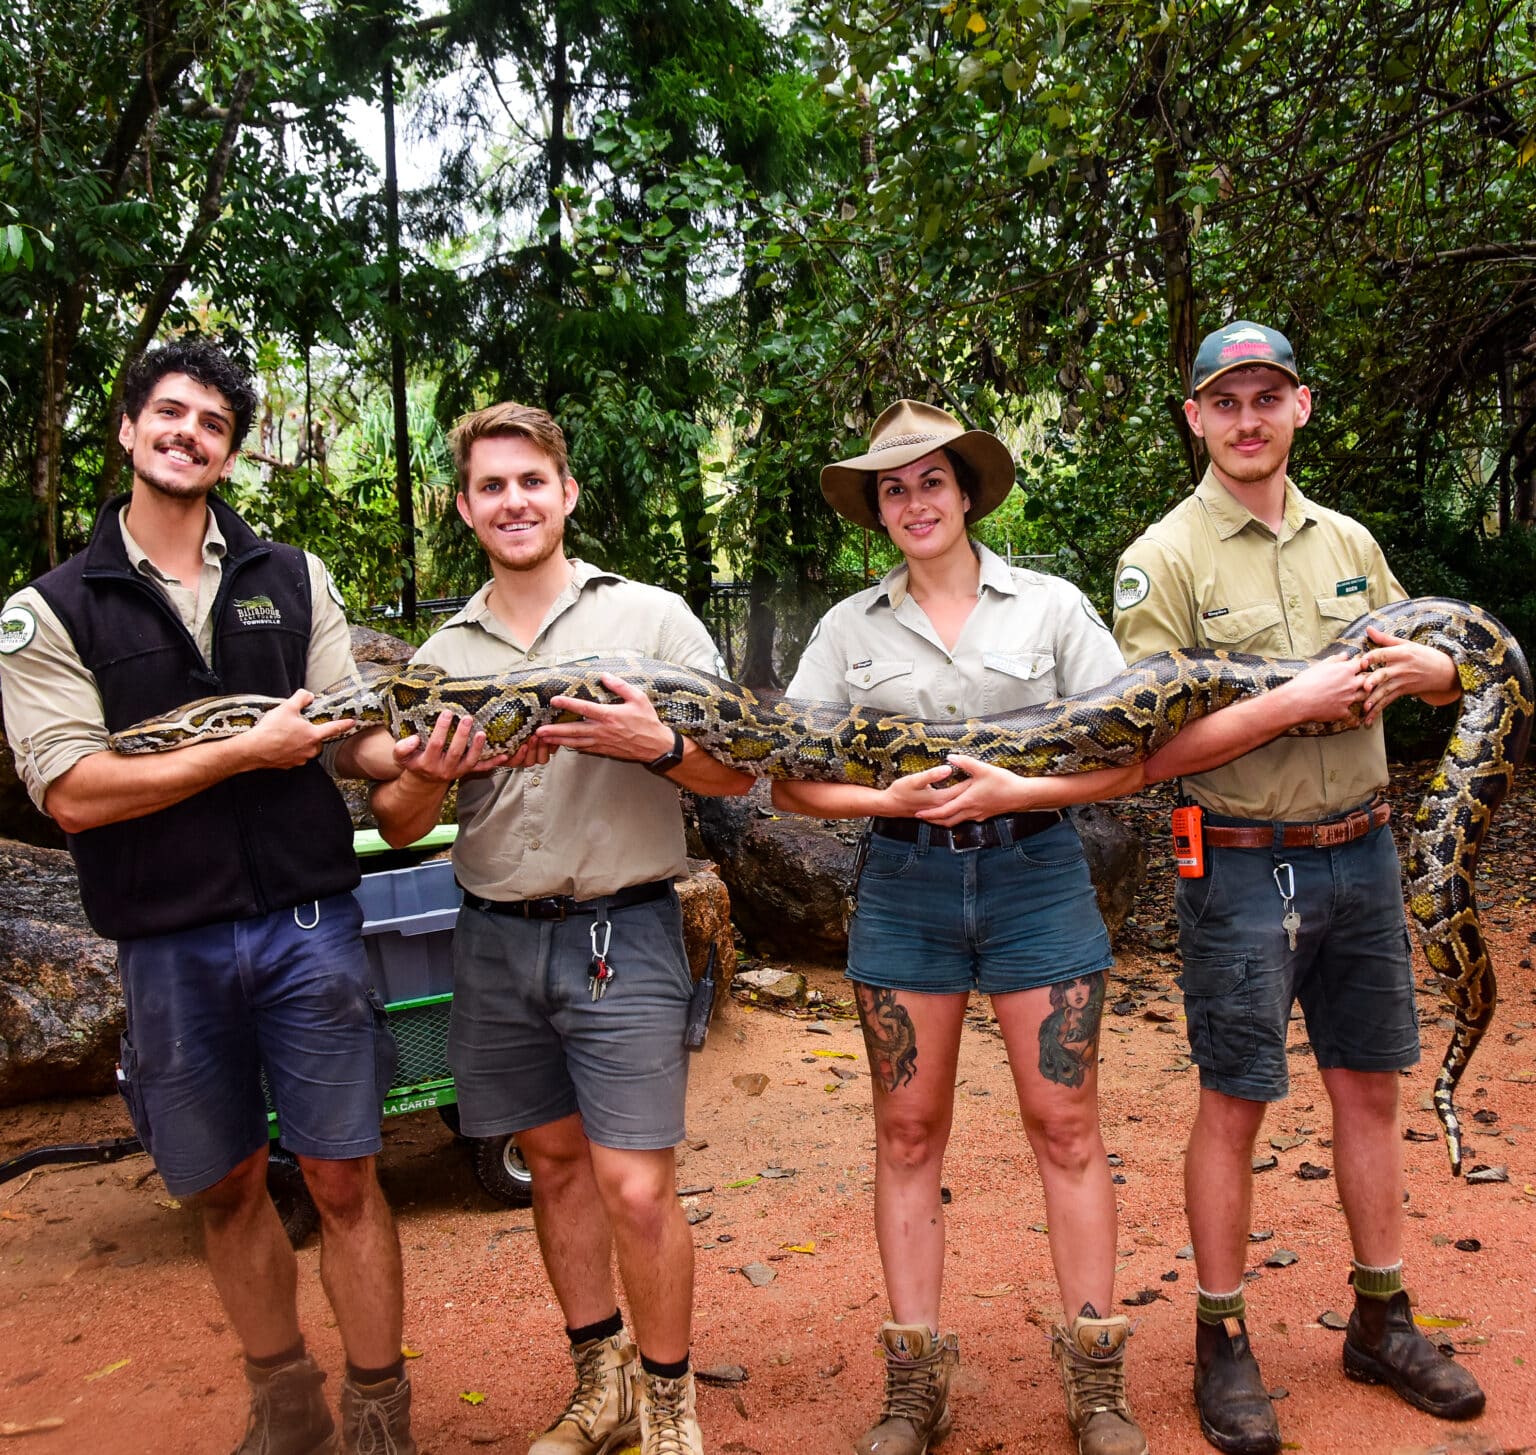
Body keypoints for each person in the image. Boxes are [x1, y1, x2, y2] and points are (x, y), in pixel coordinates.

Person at [0, 339, 417, 1455]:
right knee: (226, 1185)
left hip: (306, 924)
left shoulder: (293, 578)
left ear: (228, 454)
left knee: (343, 1172)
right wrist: (244, 751)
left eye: (213, 424)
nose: (188, 433)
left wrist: (427, 756)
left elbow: (353, 736)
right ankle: (286, 1400)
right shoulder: (52, 610)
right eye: (170, 413)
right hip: (167, 941)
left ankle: (380, 1407)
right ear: (129, 429)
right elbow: (72, 791)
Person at [1111, 321, 1485, 1454]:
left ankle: (1381, 1317)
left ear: (1300, 407)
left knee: (1369, 1091)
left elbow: (1430, 661)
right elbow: (1145, 748)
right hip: (1238, 861)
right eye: (1225, 402)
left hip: (1364, 850)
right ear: (1194, 418)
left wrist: (1441, 672)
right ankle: (1222, 1337)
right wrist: (1295, 701)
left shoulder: (1350, 542)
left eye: (1266, 397)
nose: (1248, 420)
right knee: (1236, 1102)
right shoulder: (1164, 557)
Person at [366, 401, 752, 1455]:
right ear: (465, 508)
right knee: (553, 1161)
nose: (514, 501)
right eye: (491, 486)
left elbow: (737, 771)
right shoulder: (439, 655)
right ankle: (602, 1382)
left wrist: (655, 744)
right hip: (493, 936)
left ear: (567, 492)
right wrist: (431, 776)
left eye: (531, 480)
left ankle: (668, 1403)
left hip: (620, 931)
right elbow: (395, 820)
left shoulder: (653, 621)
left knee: (636, 1181)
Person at [771, 400, 1149, 1455]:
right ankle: (914, 1384)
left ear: (967, 491)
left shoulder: (1052, 607)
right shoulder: (848, 629)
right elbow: (790, 784)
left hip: (1037, 875)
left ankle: (1097, 1380)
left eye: (931, 480)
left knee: (1065, 1124)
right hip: (905, 883)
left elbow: (1130, 757)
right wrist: (886, 802)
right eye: (893, 488)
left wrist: (1021, 791)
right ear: (878, 510)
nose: (914, 501)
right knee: (905, 1132)